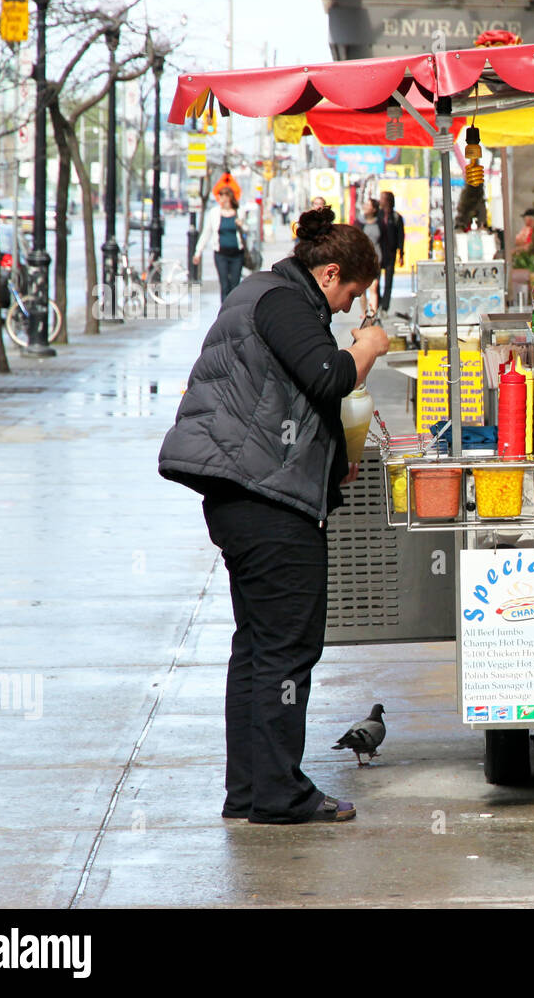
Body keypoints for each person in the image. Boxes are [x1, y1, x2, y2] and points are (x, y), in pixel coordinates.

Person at [158, 207, 390, 825]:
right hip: (266, 501)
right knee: (287, 650)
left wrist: (336, 457)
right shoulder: (280, 300)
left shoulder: (263, 295)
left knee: (258, 650)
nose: (348, 308)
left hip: (246, 495)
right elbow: (329, 376)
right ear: (330, 271)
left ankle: (251, 792)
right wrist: (367, 348)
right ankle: (282, 795)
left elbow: (287, 393)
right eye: (351, 293)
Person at [193, 187, 248, 304]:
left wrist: (242, 225)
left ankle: (234, 310)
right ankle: (224, 312)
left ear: (230, 197)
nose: (222, 199)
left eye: (225, 196)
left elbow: (247, 231)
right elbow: (206, 233)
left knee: (235, 284)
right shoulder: (214, 213)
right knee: (224, 285)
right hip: (221, 254)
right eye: (220, 196)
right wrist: (198, 252)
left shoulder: (239, 211)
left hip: (237, 254)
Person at [375, 190, 405, 309]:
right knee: (375, 281)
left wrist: (401, 254)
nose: (380, 200)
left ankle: (385, 306)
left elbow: (401, 236)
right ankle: (378, 302)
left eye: (382, 198)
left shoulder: (396, 217)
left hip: (391, 253)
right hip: (378, 252)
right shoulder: (377, 215)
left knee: (388, 281)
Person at [359, 200, 384, 320]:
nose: (366, 207)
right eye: (365, 204)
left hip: (376, 258)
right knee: (362, 288)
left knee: (374, 286)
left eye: (368, 205)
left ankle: (372, 314)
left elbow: (385, 240)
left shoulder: (380, 223)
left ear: (374, 209)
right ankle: (364, 313)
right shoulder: (359, 222)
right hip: (362, 259)